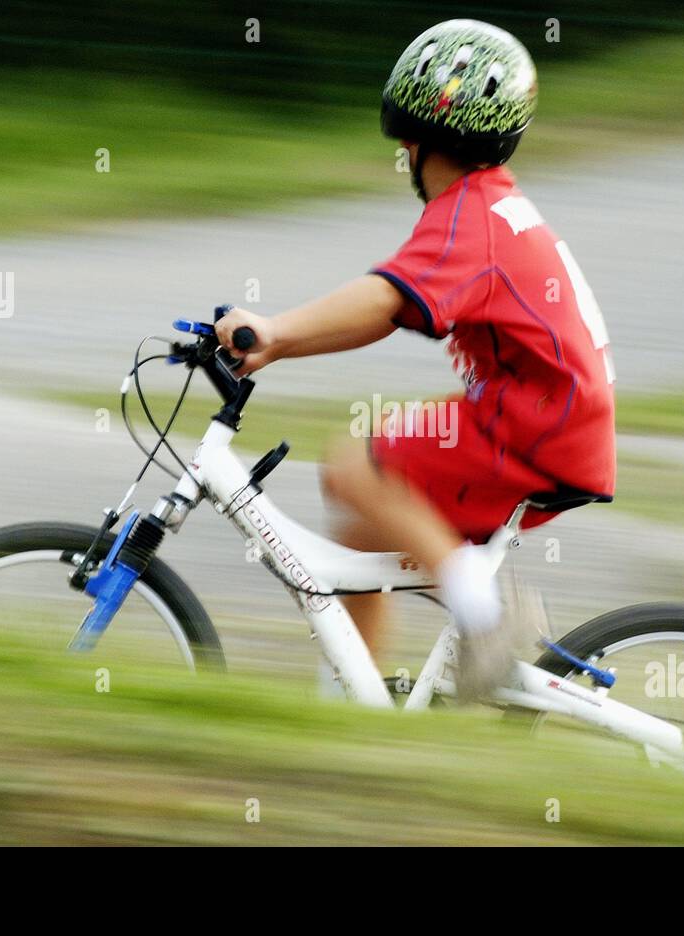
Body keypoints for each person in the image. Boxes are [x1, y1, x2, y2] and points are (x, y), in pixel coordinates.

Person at [215, 19, 615, 700]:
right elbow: (395, 308)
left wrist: (273, 333)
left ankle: (487, 620)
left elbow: (383, 300)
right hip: (544, 420)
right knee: (366, 534)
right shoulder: (489, 204)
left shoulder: (472, 216)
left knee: (353, 463)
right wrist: (277, 347)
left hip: (533, 428)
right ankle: (351, 703)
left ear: (416, 136)